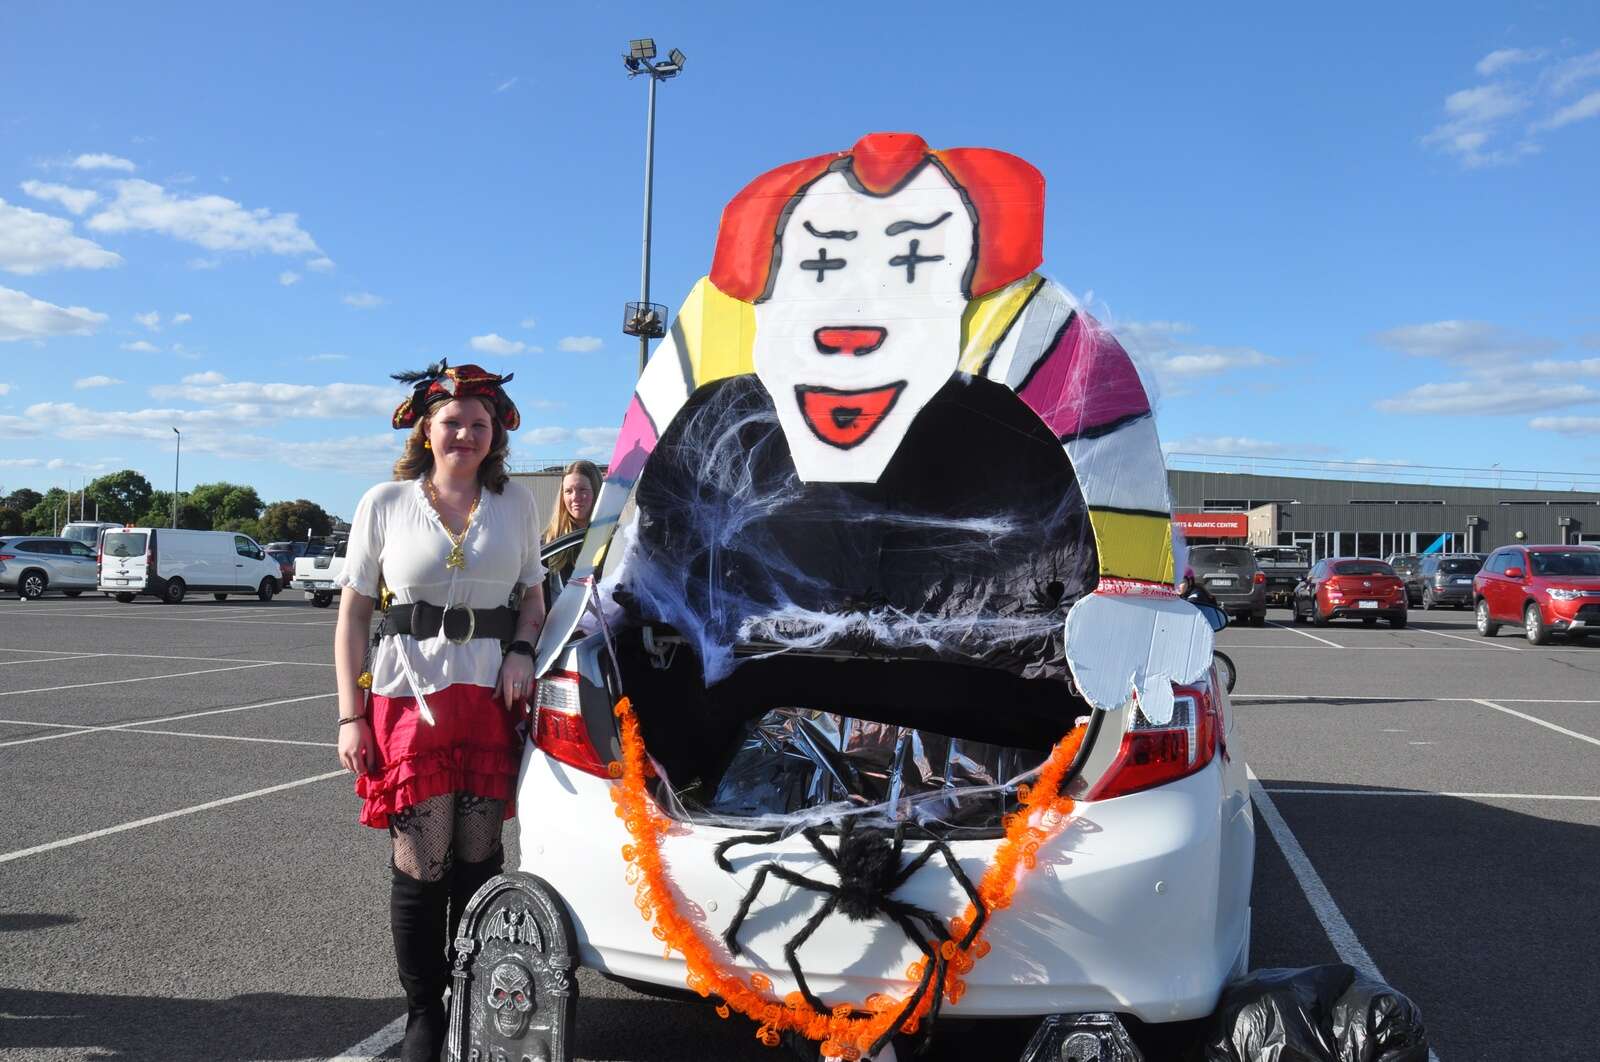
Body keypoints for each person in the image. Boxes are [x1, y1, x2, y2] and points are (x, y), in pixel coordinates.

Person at [333, 361, 546, 1062]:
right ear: (426, 430)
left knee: (479, 862)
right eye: (452, 421)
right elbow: (353, 614)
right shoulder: (385, 502)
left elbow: (533, 594)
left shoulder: (515, 503)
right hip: (408, 701)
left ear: (496, 435)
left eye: (479, 423)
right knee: (423, 865)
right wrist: (351, 716)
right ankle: (425, 1012)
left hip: (487, 700)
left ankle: (473, 1002)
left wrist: (522, 650)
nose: (466, 433)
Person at [540, 458, 600, 585]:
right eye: (568, 491)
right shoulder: (549, 542)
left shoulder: (615, 539)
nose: (575, 497)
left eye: (582, 489)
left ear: (597, 491)